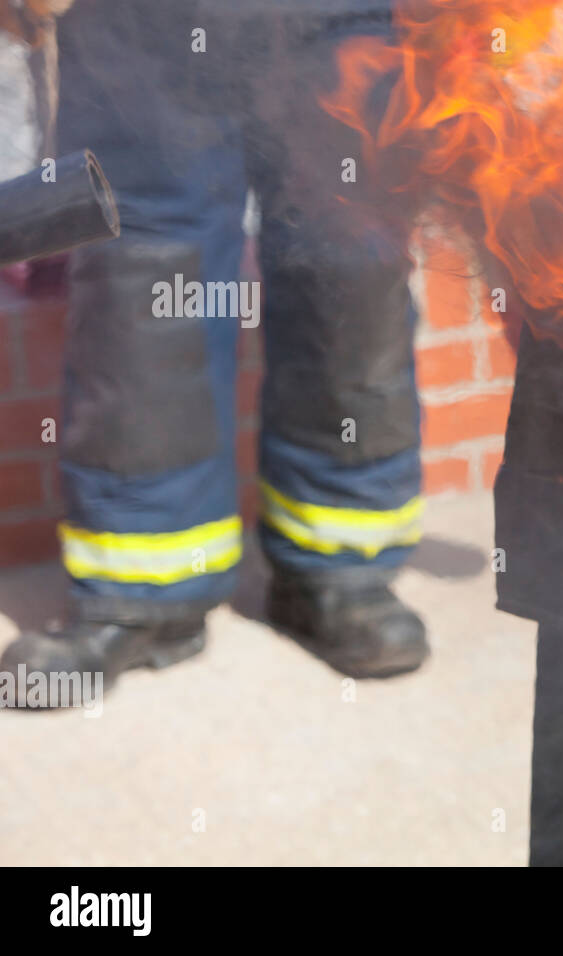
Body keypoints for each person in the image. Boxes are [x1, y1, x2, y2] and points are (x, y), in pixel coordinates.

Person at [1, 0, 432, 700]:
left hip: (342, 15)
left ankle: (341, 573)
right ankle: (146, 599)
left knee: (352, 270)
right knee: (143, 282)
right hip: (141, 23)